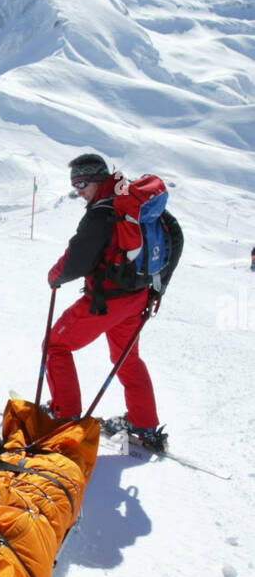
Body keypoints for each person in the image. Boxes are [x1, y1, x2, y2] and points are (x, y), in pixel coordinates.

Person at [44, 153, 182, 453]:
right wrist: (157, 290)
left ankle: (64, 416)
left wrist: (55, 276)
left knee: (55, 345)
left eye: (81, 183)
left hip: (108, 300)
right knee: (127, 359)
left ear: (96, 178)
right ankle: (144, 425)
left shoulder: (104, 212)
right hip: (137, 298)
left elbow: (77, 258)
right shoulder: (130, 201)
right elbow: (175, 236)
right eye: (74, 183)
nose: (78, 190)